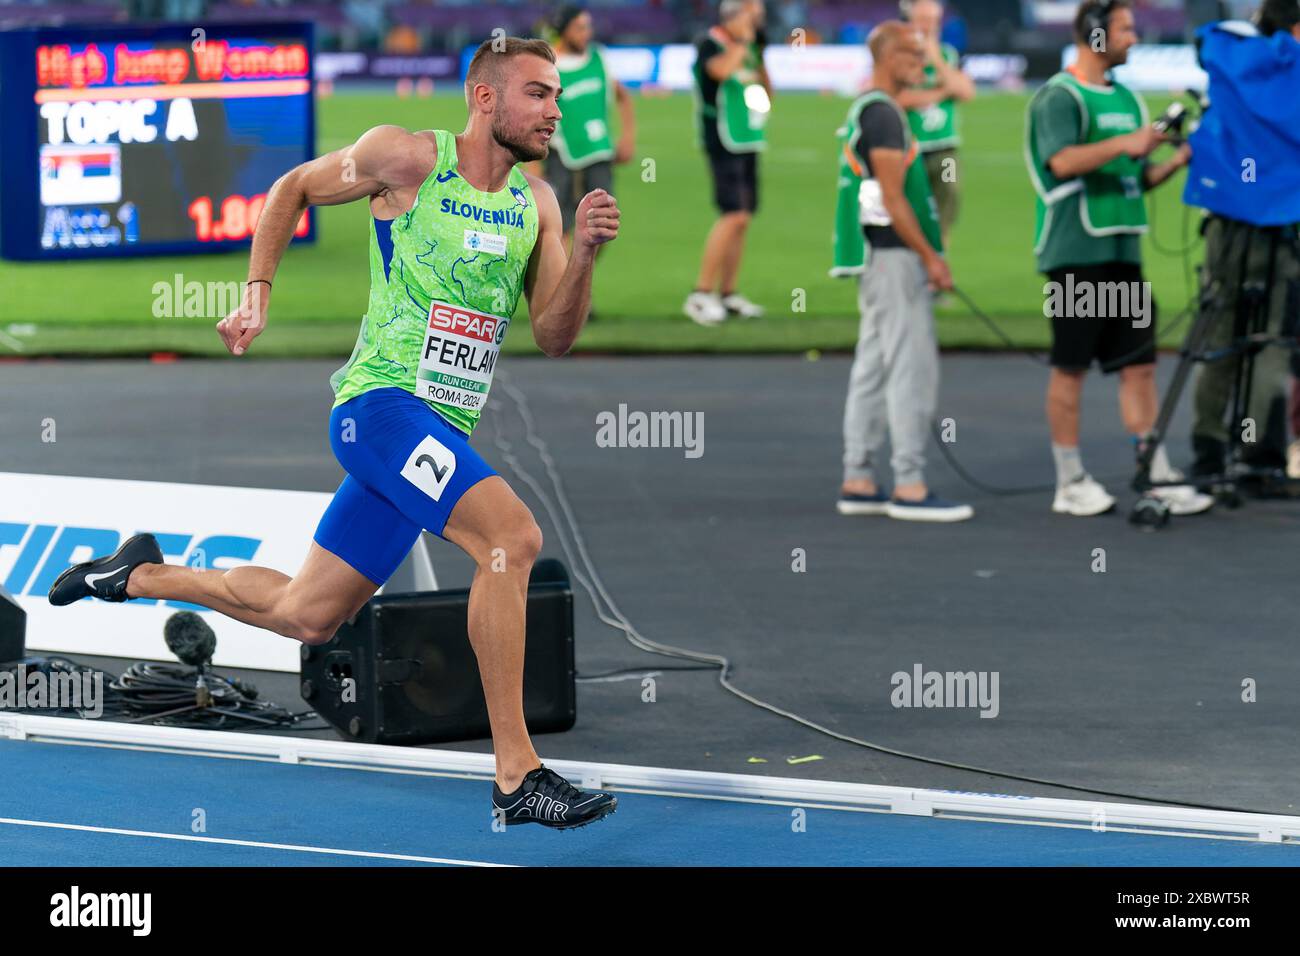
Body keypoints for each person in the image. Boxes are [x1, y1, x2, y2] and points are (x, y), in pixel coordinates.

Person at [47, 37, 621, 831]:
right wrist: (257, 293)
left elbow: (555, 334)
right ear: (485, 98)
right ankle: (516, 774)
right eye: (539, 94)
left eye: (556, 95)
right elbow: (289, 188)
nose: (556, 110)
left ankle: (137, 575)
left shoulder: (540, 205)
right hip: (379, 410)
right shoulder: (408, 159)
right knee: (509, 540)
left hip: (432, 435)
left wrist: (585, 254)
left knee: (306, 617)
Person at [1024, 0, 1211, 516]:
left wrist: (1174, 158)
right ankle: (1070, 480)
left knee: (1140, 367)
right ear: (1096, 35)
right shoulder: (1059, 98)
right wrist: (1129, 142)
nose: (1134, 36)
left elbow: (1137, 177)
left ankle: (1153, 467)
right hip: (1078, 252)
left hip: (1123, 250)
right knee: (1072, 367)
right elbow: (1061, 161)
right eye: (1125, 28)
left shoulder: (1127, 99)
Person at [833, 21, 973, 522]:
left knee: (873, 364)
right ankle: (910, 484)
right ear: (889, 57)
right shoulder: (885, 115)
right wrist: (932, 258)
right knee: (910, 366)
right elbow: (892, 198)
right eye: (914, 55)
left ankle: (859, 476)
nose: (923, 62)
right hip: (893, 256)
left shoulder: (869, 109)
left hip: (874, 255)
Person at [1187, 0, 1300, 488]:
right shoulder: (1292, 67)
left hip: (1228, 221)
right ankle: (1259, 455)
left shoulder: (1227, 54)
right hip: (1282, 223)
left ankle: (1208, 451)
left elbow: (1207, 40)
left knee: (1220, 337)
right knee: (1271, 340)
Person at [684, 0, 770, 326]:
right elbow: (718, 71)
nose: (756, 21)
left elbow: (764, 88)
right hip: (722, 139)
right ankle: (701, 293)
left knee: (744, 217)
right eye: (752, 15)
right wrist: (744, 42)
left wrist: (757, 55)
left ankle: (728, 292)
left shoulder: (750, 47)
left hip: (748, 136)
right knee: (732, 214)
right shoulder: (711, 44)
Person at [542, 3, 636, 301]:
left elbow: (622, 96)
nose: (587, 33)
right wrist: (533, 163)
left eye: (588, 27)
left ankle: (576, 285)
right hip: (560, 154)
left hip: (598, 152)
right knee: (564, 227)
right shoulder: (549, 66)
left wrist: (628, 137)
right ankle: (565, 296)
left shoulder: (599, 58)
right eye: (580, 27)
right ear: (563, 30)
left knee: (603, 226)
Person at [897, 0, 974, 247]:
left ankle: (938, 255)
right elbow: (899, 98)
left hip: (945, 148)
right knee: (910, 210)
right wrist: (941, 93)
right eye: (923, 21)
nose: (928, 27)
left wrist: (936, 60)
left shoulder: (947, 55)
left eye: (932, 21)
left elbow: (965, 92)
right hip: (910, 149)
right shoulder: (900, 56)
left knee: (948, 204)